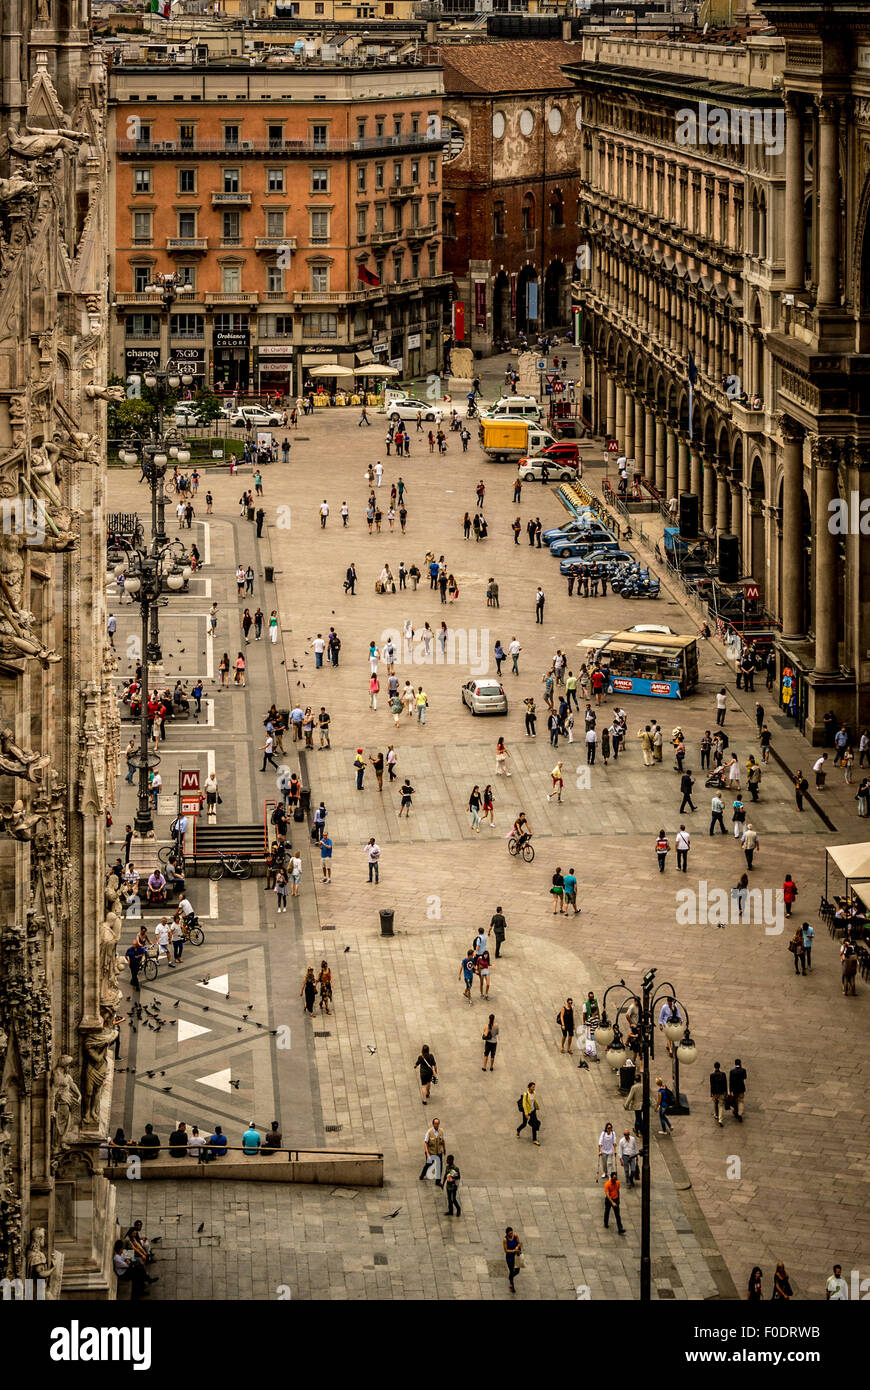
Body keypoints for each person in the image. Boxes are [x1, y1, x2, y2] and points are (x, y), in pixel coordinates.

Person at [420, 1118, 446, 1182]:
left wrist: (444, 1149)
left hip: (439, 1152)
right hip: (431, 1152)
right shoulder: (429, 1132)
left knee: (439, 1166)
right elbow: (425, 1143)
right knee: (429, 1164)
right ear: (433, 1124)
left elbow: (443, 1141)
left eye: (437, 1124)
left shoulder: (441, 1131)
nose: (436, 1125)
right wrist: (427, 1153)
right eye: (435, 1124)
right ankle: (422, 1174)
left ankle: (438, 1181)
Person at [504, 1227, 522, 1293]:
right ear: (507, 1233)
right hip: (509, 1258)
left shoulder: (515, 1235)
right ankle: (512, 1284)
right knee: (511, 1270)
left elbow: (519, 1243)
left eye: (511, 1232)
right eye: (510, 1233)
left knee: (517, 1271)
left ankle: (510, 1278)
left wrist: (517, 1246)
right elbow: (506, 1250)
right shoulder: (505, 1240)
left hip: (516, 1257)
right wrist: (513, 1250)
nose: (511, 1234)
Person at [710, 1061, 728, 1126]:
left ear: (714, 1067)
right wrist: (726, 1092)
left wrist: (711, 1094)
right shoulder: (723, 1074)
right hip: (721, 1092)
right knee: (720, 1105)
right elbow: (725, 1084)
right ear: (719, 1067)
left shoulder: (712, 1075)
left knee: (715, 1103)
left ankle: (716, 1114)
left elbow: (711, 1085)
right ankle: (720, 1119)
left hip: (715, 1093)